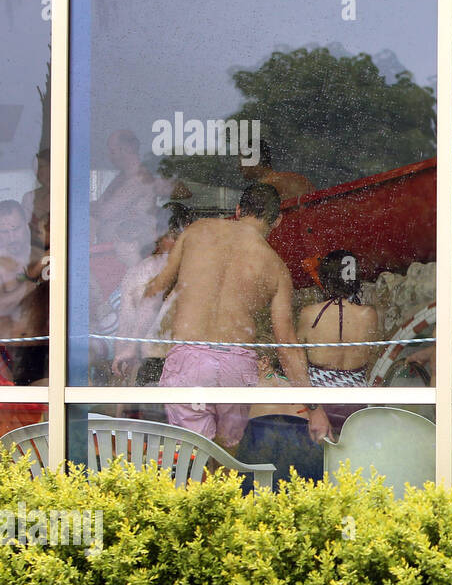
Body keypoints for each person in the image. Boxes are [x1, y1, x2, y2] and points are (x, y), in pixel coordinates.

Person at [143, 183, 329, 448]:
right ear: (276, 221)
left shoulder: (197, 231)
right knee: (227, 456)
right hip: (236, 365)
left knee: (192, 455)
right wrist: (314, 408)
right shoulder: (276, 268)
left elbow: (157, 288)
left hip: (189, 360)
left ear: (239, 210)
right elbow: (287, 346)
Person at [111, 203, 193, 385]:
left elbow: (125, 326)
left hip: (151, 362)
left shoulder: (138, 272)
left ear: (156, 229)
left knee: (150, 414)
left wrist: (120, 357)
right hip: (190, 362)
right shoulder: (199, 271)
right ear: (188, 226)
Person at [297, 249, 382, 387]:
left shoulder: (309, 313)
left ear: (325, 278)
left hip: (318, 397)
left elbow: (296, 358)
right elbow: (372, 356)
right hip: (356, 395)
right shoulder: (369, 315)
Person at [0, 200, 47, 384]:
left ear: (27, 227)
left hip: (45, 346)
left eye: (16, 229)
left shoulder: (43, 255)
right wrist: (32, 282)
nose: (12, 237)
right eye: (5, 232)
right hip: (8, 350)